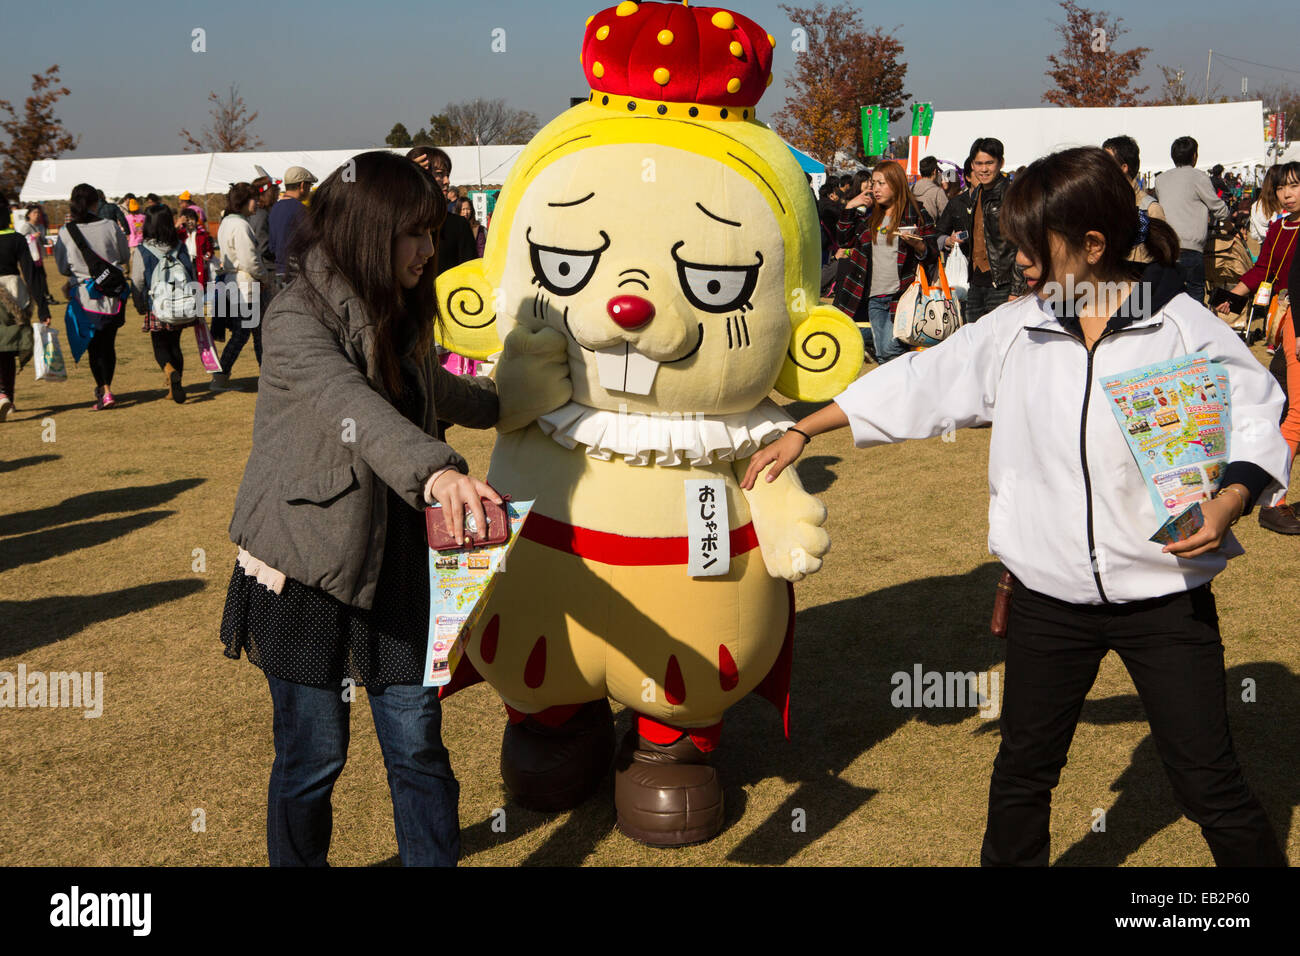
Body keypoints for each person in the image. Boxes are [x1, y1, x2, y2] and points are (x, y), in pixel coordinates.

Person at [743, 146, 1289, 868]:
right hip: (1046, 599)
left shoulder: (1182, 323)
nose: (1018, 260)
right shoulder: (1017, 326)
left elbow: (1257, 410)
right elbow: (924, 380)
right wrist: (808, 425)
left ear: (1092, 245)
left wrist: (1230, 499)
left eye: (1035, 246)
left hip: (1167, 600)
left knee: (1207, 780)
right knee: (1024, 772)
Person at [219, 149, 565, 867]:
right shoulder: (294, 319)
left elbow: (433, 392)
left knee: (418, 749)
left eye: (433, 232)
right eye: (415, 234)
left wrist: (518, 402)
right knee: (313, 760)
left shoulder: (397, 309)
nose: (430, 250)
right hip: (309, 570)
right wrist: (439, 474)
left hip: (401, 570)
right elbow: (354, 407)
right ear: (370, 231)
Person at [1215, 162, 1300, 535]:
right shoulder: (1281, 226)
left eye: (1295, 186)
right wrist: (1233, 298)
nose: (1288, 193)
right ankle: (1273, 500)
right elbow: (1264, 268)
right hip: (1287, 322)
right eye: (1282, 187)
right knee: (1293, 412)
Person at [832, 161, 937, 363]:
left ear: (896, 184)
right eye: (873, 183)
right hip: (874, 297)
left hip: (904, 296)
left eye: (881, 183)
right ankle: (897, 392)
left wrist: (919, 246)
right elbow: (844, 241)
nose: (875, 189)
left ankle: (904, 390)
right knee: (883, 355)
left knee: (891, 351)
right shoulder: (870, 217)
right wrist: (850, 207)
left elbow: (932, 253)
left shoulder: (916, 214)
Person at [55, 182, 130, 410]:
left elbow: (62, 267)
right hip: (112, 295)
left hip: (84, 296)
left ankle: (103, 389)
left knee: (94, 346)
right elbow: (124, 256)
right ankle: (107, 389)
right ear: (96, 202)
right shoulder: (110, 226)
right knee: (109, 344)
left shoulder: (65, 232)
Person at [935, 138, 1027, 321]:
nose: (984, 169)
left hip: (1002, 284)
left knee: (1000, 342)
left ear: (1001, 163)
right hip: (976, 283)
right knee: (975, 343)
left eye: (989, 163)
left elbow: (1022, 244)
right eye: (979, 163)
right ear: (972, 166)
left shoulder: (1011, 195)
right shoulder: (976, 193)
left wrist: (1016, 290)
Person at [132, 204, 198, 403]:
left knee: (160, 346)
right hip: (181, 303)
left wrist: (139, 303)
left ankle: (169, 371)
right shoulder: (180, 245)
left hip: (157, 305)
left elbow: (137, 281)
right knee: (175, 345)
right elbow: (191, 273)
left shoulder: (142, 250)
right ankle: (175, 385)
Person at [1152, 136, 1229, 305]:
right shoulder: (1199, 177)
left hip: (1166, 247)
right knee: (1194, 295)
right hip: (1191, 247)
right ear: (1194, 156)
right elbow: (1218, 207)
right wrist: (1228, 217)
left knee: (1169, 297)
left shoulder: (1160, 180)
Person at [212, 182, 264, 390]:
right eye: (254, 199)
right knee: (251, 333)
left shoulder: (227, 222)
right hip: (245, 285)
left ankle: (222, 375)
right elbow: (249, 259)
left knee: (246, 332)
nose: (257, 203)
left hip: (233, 284)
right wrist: (264, 277)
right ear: (243, 201)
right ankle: (222, 375)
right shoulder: (241, 225)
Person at [0, 189, 36, 421]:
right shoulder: (16, 239)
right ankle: (8, 397)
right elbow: (30, 273)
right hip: (13, 293)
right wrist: (41, 305)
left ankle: (2, 395)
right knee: (9, 349)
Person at [268, 166, 316, 283]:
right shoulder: (301, 210)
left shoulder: (274, 208)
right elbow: (311, 243)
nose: (309, 189)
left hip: (278, 271)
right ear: (302, 185)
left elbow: (272, 246)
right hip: (295, 273)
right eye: (309, 186)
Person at [1102, 135, 1165, 221]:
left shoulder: (1149, 209)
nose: (1101, 165)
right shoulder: (1099, 201)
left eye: (1107, 161)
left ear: (1124, 168)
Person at [15, 206, 51, 323]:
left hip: (38, 258)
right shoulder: (26, 226)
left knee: (42, 278)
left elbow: (42, 240)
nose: (37, 215)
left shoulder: (40, 226)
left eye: (38, 213)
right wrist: (31, 237)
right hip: (29, 259)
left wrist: (46, 241)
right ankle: (36, 300)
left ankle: (44, 298)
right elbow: (20, 240)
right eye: (34, 212)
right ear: (29, 214)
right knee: (34, 281)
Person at [249, 175, 280, 297]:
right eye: (275, 191)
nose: (277, 195)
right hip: (268, 269)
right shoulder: (261, 215)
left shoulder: (261, 213)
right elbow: (263, 247)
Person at [1249, 165, 1282, 245]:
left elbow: (1254, 234)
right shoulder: (1288, 203)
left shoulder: (1257, 205)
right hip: (1275, 247)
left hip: (1267, 246)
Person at [912, 156, 949, 220]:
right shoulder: (938, 192)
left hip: (912, 228)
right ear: (934, 171)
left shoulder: (911, 189)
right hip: (930, 229)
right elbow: (947, 218)